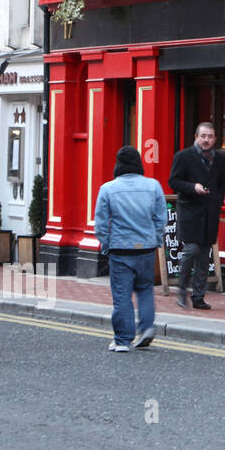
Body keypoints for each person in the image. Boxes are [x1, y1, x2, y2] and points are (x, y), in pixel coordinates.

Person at [94, 146, 167, 353]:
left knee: (122, 295)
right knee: (145, 290)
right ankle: (145, 328)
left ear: (118, 165)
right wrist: (156, 240)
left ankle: (122, 340)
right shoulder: (153, 186)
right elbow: (161, 219)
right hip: (146, 248)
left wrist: (106, 244)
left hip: (120, 249)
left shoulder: (108, 189)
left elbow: (100, 223)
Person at [169, 122, 225, 310]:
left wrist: (218, 203)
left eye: (210, 136)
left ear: (215, 139)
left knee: (204, 256)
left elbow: (221, 185)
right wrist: (192, 187)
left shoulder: (220, 160)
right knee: (191, 250)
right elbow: (173, 181)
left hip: (210, 214)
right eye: (203, 136)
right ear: (196, 137)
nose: (206, 140)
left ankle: (198, 296)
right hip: (190, 213)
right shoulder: (183, 157)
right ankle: (181, 288)